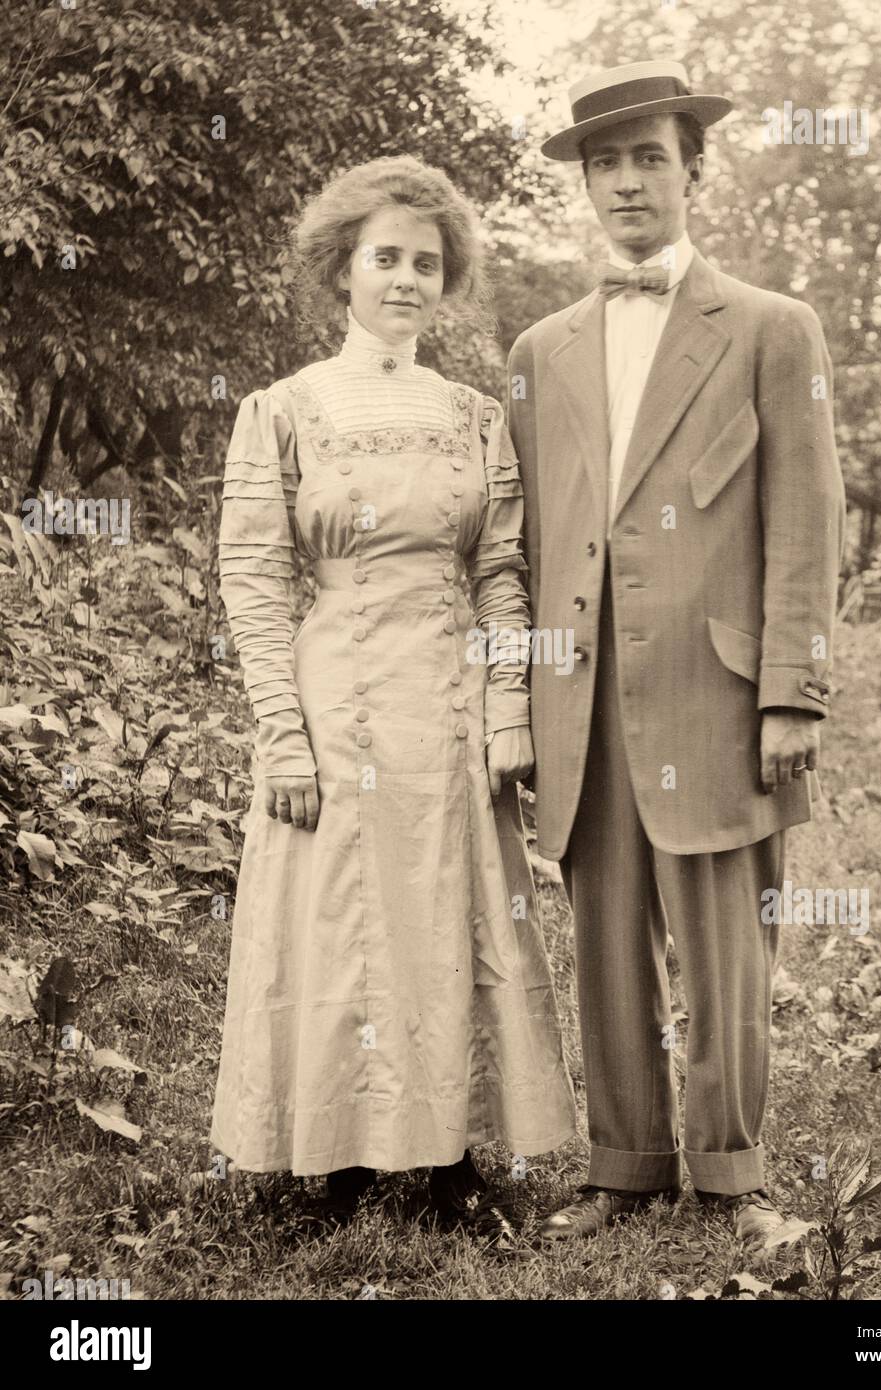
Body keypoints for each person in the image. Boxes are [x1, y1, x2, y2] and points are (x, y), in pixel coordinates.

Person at [506, 61, 845, 1246]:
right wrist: (523, 695)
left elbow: (805, 518)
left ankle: (736, 1173)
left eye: (647, 156)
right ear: (584, 186)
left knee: (725, 940)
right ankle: (625, 1163)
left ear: (690, 169)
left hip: (721, 687)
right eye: (604, 163)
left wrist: (790, 692)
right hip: (581, 692)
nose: (626, 181)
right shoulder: (540, 346)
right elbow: (532, 536)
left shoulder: (768, 326)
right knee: (602, 935)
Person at [209, 154, 576, 1238]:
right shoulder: (281, 411)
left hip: (445, 701)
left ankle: (452, 1153)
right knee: (335, 921)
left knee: (446, 914)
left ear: (445, 276)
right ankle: (329, 1159)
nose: (405, 278)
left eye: (425, 262)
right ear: (343, 271)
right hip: (330, 699)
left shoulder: (471, 415)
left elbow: (502, 570)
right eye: (385, 258)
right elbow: (254, 578)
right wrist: (282, 735)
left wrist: (508, 704)